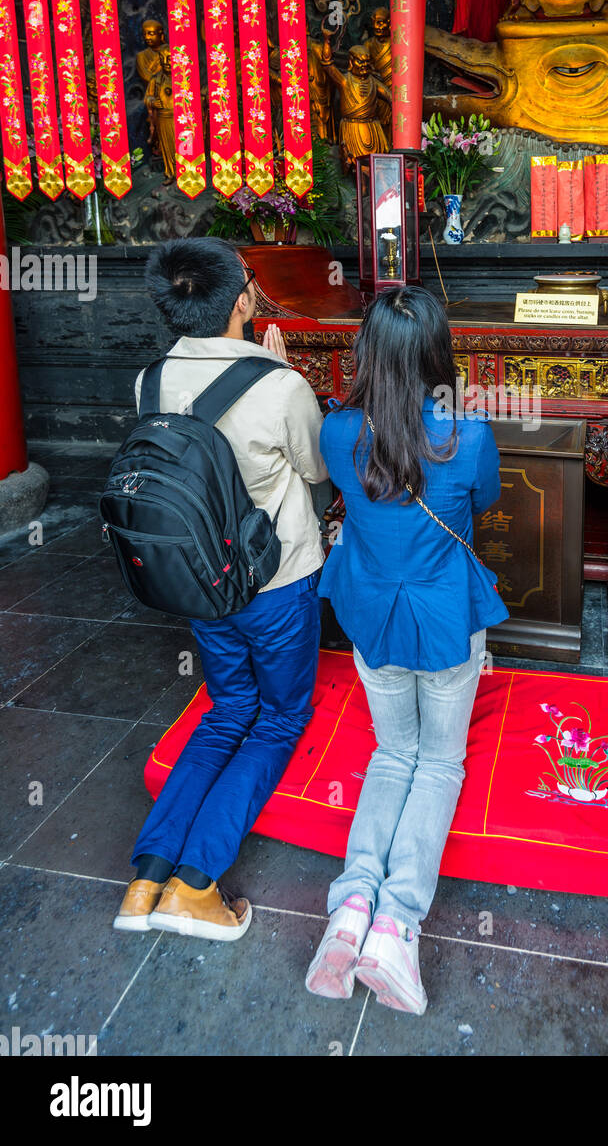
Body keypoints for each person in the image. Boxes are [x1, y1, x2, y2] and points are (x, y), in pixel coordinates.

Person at [113, 238, 328, 940]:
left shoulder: (147, 382)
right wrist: (280, 371)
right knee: (277, 719)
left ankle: (145, 880)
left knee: (227, 708)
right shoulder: (280, 387)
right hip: (275, 583)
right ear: (242, 299)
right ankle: (198, 884)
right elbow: (318, 474)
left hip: (199, 585)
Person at [305, 286, 508, 1014]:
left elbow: (349, 491)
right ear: (436, 353)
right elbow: (479, 502)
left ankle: (349, 910)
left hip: (369, 610)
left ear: (366, 350)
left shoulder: (335, 432)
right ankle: (394, 923)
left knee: (393, 753)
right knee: (438, 761)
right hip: (443, 613)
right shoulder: (468, 434)